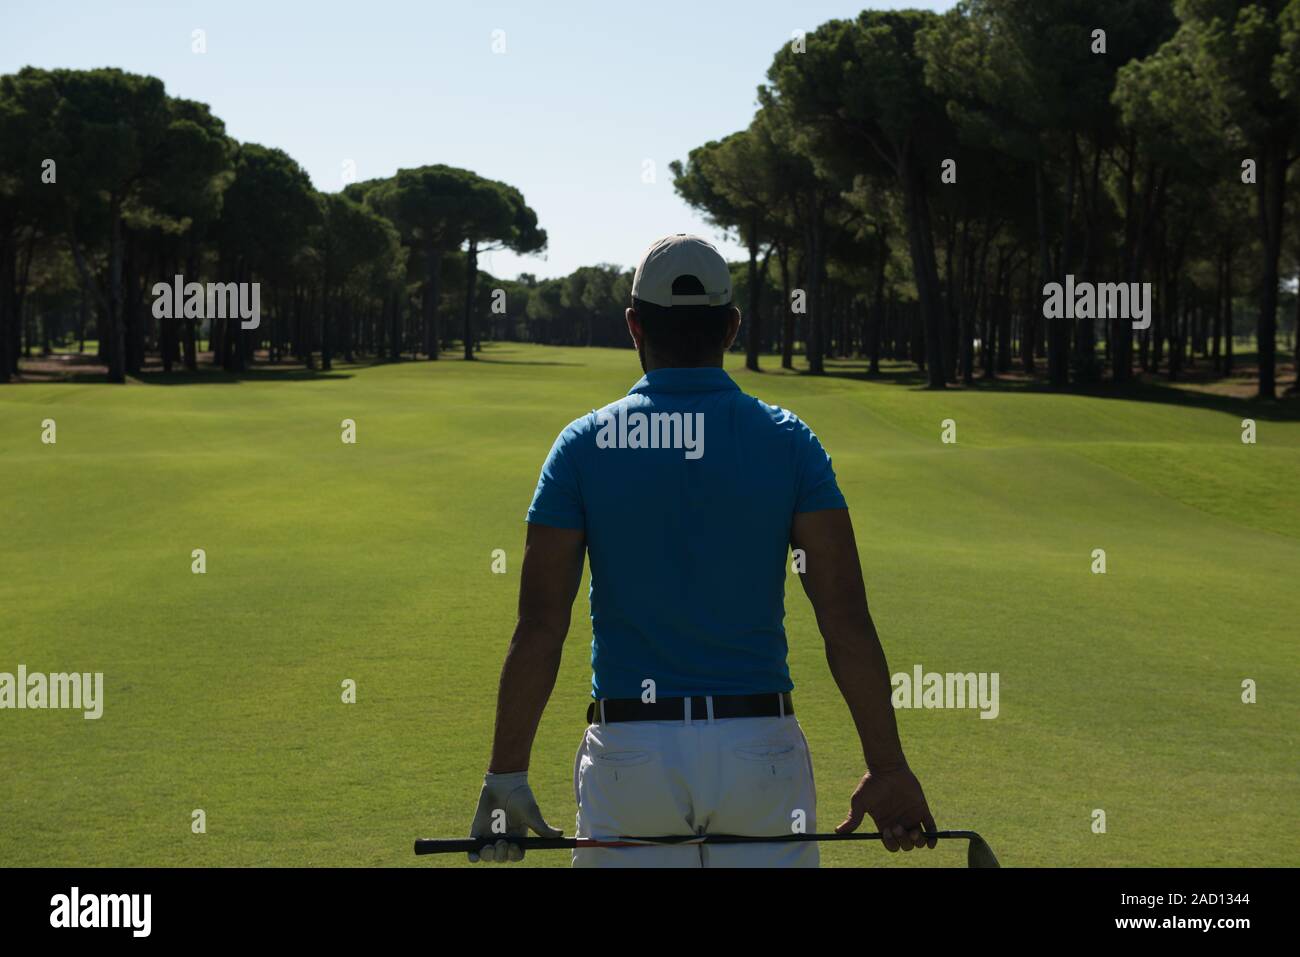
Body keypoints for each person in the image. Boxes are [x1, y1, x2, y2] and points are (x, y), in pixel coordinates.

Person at [466, 234, 936, 867]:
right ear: (732, 327)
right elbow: (845, 622)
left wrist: (506, 777)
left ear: (634, 326)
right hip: (760, 754)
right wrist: (886, 764)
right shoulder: (790, 442)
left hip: (631, 756)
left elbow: (541, 627)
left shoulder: (581, 447)